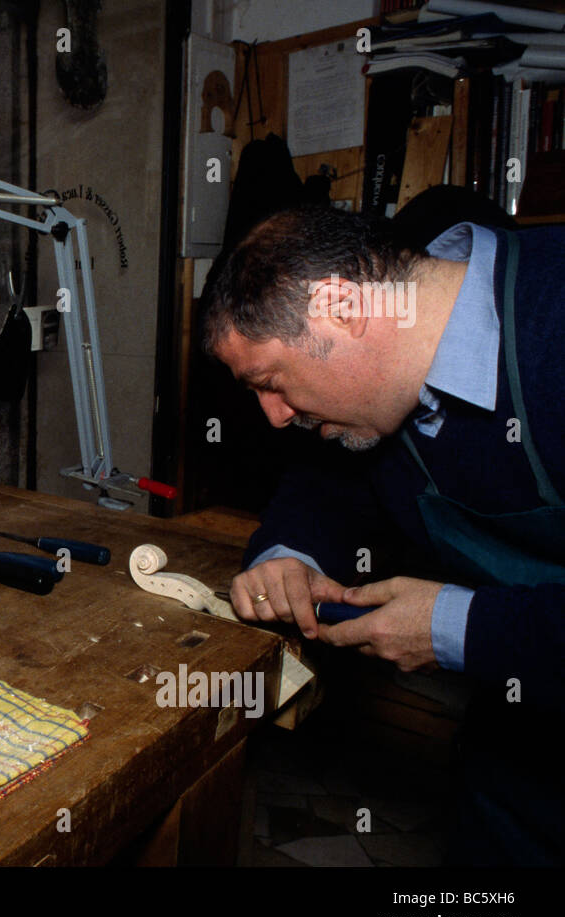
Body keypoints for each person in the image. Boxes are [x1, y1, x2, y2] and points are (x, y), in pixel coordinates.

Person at [198, 204, 565, 865]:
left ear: (342, 308)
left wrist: (458, 627)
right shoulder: (382, 394)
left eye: (273, 384)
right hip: (520, 738)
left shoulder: (555, 319)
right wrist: (289, 555)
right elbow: (329, 486)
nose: (274, 418)